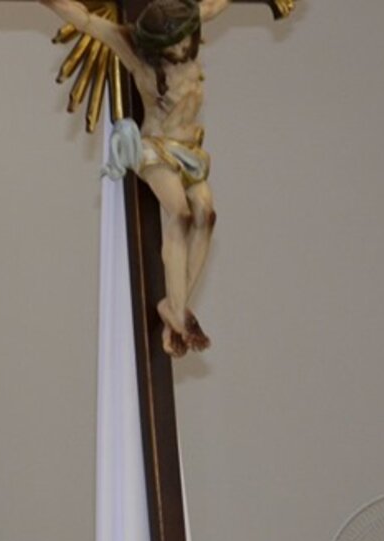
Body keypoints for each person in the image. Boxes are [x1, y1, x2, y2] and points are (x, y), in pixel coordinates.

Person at [42, 0, 228, 355]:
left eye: (183, 40)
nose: (181, 48)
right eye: (172, 44)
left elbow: (214, 5)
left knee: (206, 215)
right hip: (155, 150)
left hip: (190, 150)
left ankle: (175, 307)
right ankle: (177, 311)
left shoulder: (189, 25)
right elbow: (86, 20)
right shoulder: (136, 53)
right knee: (181, 214)